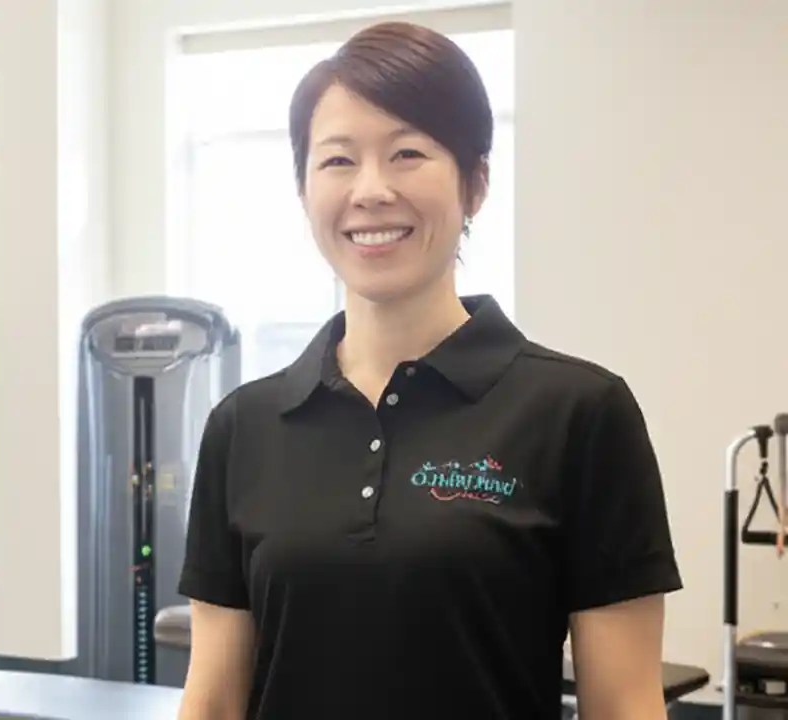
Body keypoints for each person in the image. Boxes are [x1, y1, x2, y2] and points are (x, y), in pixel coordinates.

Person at [175, 21, 682, 720]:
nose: (372, 190)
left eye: (408, 152)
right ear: (303, 191)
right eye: (337, 161)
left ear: (475, 183)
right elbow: (212, 701)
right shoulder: (245, 426)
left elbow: (625, 705)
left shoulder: (580, 412)